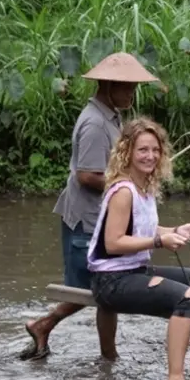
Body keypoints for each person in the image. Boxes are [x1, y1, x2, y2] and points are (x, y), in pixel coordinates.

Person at [19, 52, 159, 362]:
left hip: (100, 218)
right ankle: (47, 327)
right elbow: (86, 175)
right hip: (88, 219)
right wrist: (129, 185)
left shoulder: (110, 116)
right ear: (108, 86)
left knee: (101, 288)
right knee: (99, 287)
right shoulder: (95, 123)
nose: (132, 94)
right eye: (128, 88)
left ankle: (106, 356)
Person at [85, 116, 190, 380]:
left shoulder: (144, 187)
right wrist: (158, 242)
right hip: (111, 280)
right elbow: (113, 242)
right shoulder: (123, 191)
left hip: (135, 270)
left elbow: (143, 229)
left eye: (155, 150)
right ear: (127, 152)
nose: (150, 156)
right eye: (143, 149)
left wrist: (176, 230)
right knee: (187, 297)